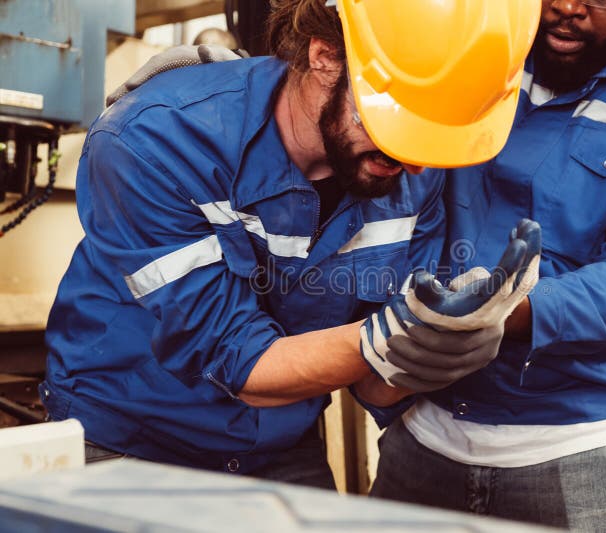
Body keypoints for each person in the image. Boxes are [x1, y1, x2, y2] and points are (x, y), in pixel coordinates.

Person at [41, 0, 540, 488]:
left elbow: (375, 388)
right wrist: (390, 337)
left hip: (279, 446)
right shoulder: (155, 139)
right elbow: (241, 360)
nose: (414, 163)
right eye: (401, 121)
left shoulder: (412, 175)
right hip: (129, 443)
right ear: (324, 55)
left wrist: (451, 339)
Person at [366, 1, 606, 531]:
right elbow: (409, 201)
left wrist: (504, 312)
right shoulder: (475, 68)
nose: (566, 7)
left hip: (576, 457)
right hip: (424, 442)